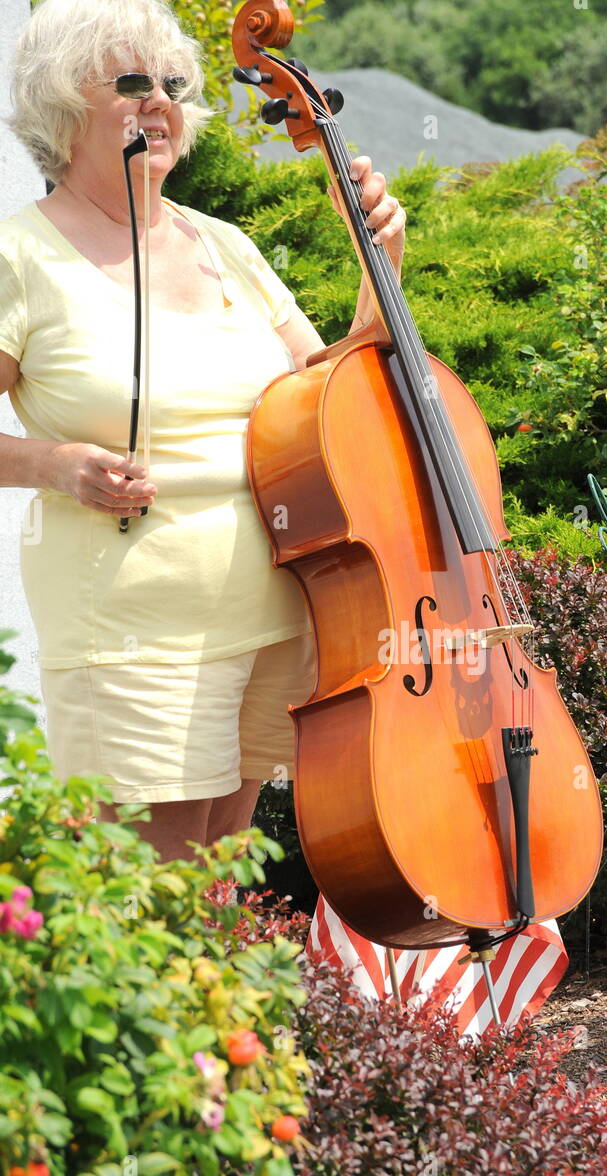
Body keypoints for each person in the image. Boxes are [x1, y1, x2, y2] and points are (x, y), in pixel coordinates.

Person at [0, 0, 405, 861]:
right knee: (155, 879)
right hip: (134, 627)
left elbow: (332, 395)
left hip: (271, 608)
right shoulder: (20, 255)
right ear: (61, 108)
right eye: (133, 82)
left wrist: (381, 264)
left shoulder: (224, 244)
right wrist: (58, 464)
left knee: (224, 864)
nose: (161, 102)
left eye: (173, 84)